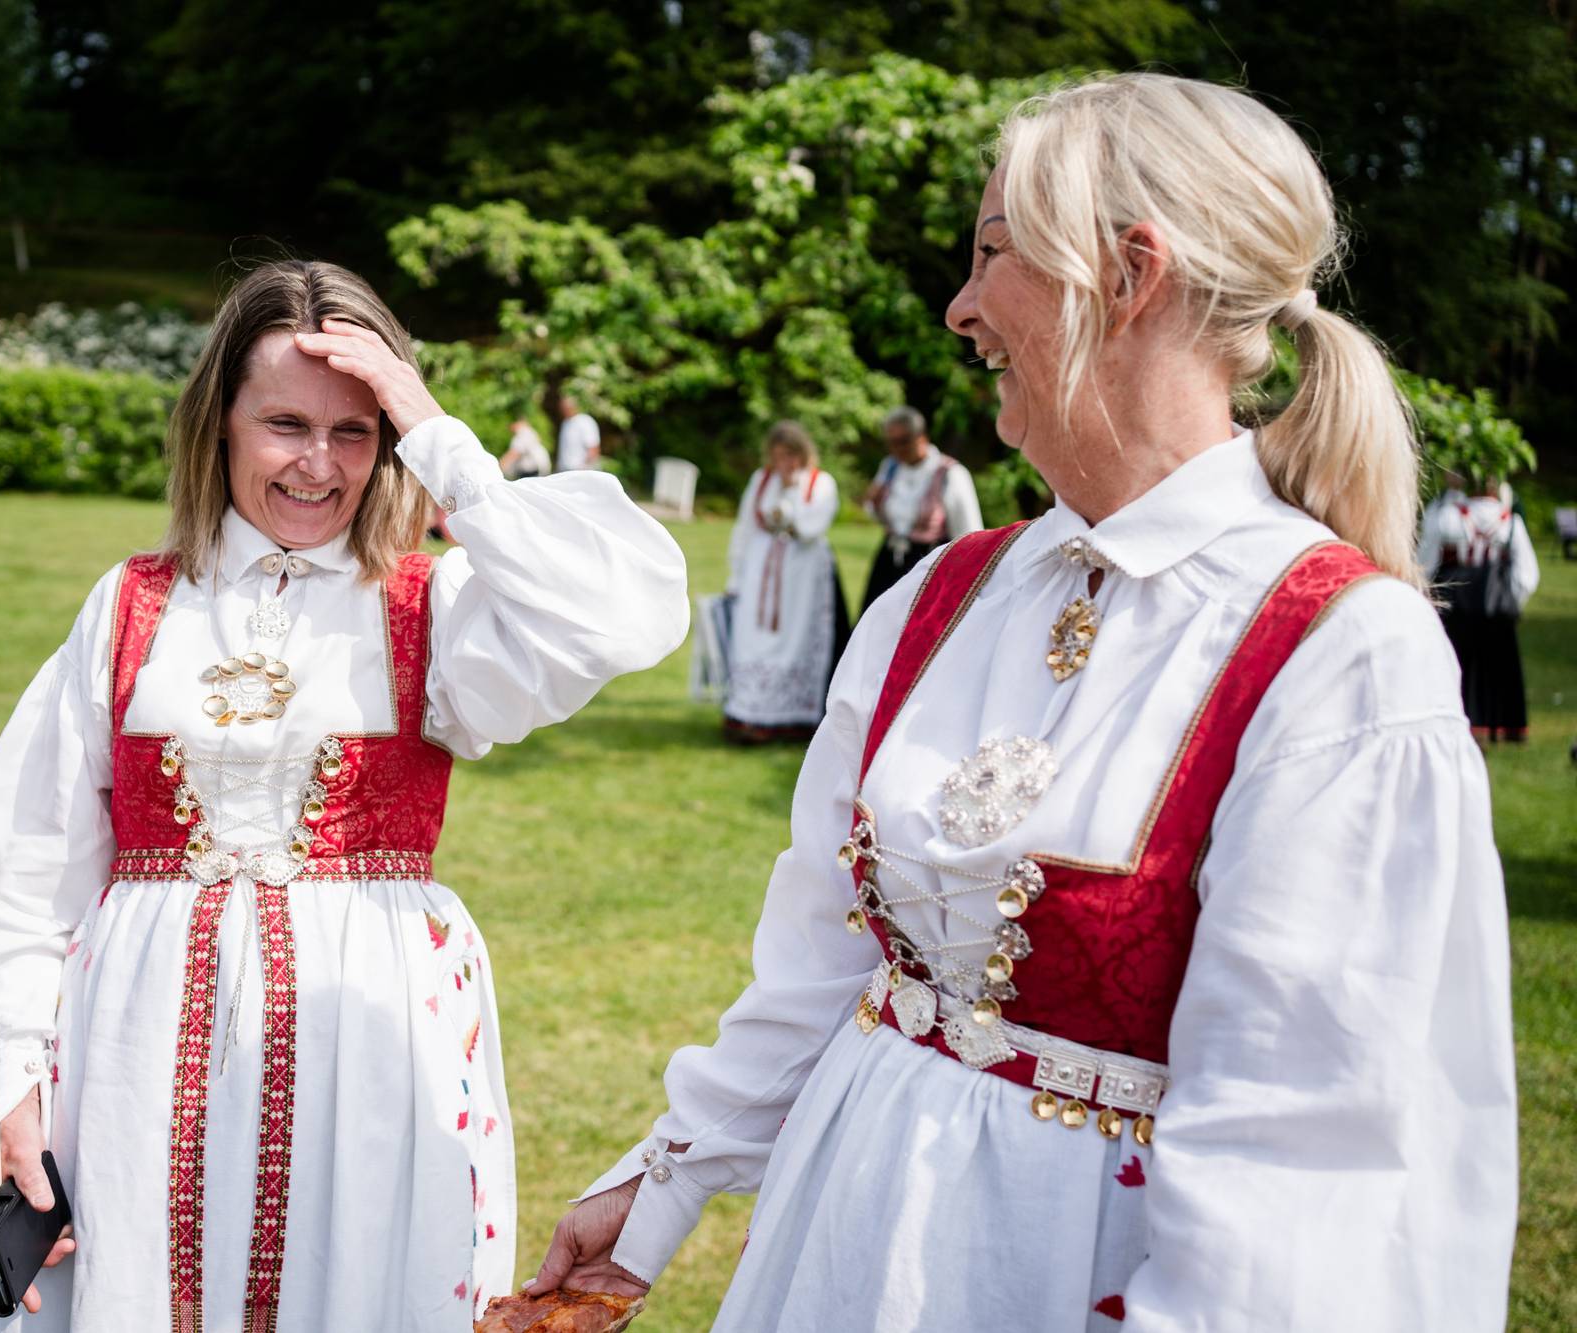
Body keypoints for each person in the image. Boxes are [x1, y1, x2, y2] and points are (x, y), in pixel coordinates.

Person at [529, 74, 1515, 1330]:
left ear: (1127, 273)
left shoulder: (1337, 653)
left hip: (1063, 1269)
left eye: (991, 252)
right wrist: (663, 1181)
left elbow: (1306, 1156)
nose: (959, 307)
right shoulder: (942, 595)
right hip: (842, 1235)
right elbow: (828, 949)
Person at [0, 260, 687, 1331]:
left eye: (355, 432)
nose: (318, 465)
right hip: (133, 1054)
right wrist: (12, 1096)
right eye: (283, 423)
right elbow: (27, 858)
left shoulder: (436, 609)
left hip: (367, 1053)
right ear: (217, 422)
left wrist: (434, 432)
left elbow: (617, 615)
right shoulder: (133, 603)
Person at [721, 421, 845, 742]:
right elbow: (745, 526)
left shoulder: (820, 483)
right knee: (752, 635)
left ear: (802, 454)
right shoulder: (761, 480)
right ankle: (748, 713)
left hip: (802, 572)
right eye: (777, 456)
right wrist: (736, 573)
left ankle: (793, 717)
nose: (783, 463)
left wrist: (790, 500)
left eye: (789, 455)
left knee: (796, 635)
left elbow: (812, 526)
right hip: (762, 569)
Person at [1420, 475, 1540, 742]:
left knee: (1456, 667)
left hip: (1455, 610)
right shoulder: (1510, 521)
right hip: (1496, 613)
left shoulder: (1445, 516)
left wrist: (1427, 598)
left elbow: (1425, 564)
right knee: (1496, 668)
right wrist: (1510, 604)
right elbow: (1527, 574)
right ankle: (1498, 725)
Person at [859, 404, 982, 612]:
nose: (897, 450)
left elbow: (969, 534)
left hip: (928, 564)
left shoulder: (949, 473)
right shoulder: (890, 467)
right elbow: (878, 513)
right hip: (889, 561)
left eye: (903, 442)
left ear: (921, 437)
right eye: (891, 443)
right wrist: (873, 502)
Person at [555, 394, 601, 472]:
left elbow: (593, 448)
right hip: (566, 470)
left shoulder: (585, 421)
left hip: (581, 470)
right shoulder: (565, 423)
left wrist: (586, 469)